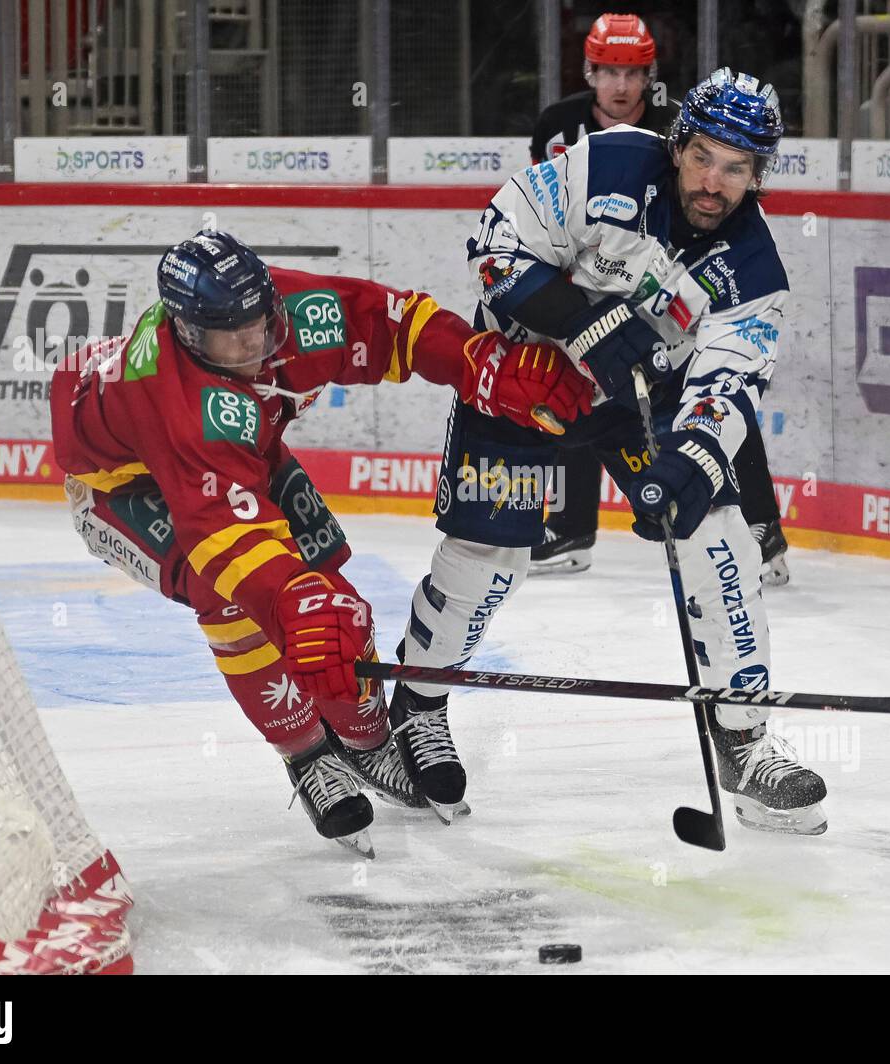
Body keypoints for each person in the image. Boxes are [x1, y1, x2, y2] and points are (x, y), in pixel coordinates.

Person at [49, 231, 592, 857]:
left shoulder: (285, 310)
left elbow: (394, 326)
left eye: (262, 322)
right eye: (236, 335)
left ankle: (366, 740)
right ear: (192, 336)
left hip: (235, 457)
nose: (257, 343)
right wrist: (287, 599)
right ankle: (305, 754)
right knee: (233, 597)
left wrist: (475, 360)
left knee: (332, 597)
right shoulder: (179, 400)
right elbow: (226, 536)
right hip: (122, 490)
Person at [395, 69, 827, 835]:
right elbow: (493, 247)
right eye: (702, 156)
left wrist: (690, 463)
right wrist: (584, 318)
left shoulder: (755, 273)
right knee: (488, 559)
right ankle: (418, 706)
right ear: (677, 144)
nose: (712, 181)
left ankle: (743, 736)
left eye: (736, 168)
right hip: (525, 375)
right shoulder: (610, 161)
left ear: (759, 175)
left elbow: (729, 388)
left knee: (716, 533)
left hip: (640, 402)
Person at [527, 15, 792, 586]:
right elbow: (553, 216)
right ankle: (572, 527)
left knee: (716, 395)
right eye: (608, 72)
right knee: (580, 381)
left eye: (633, 73)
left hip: (681, 296)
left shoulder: (680, 136)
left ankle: (758, 526)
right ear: (589, 73)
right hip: (601, 279)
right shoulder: (558, 126)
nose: (620, 86)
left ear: (650, 77)